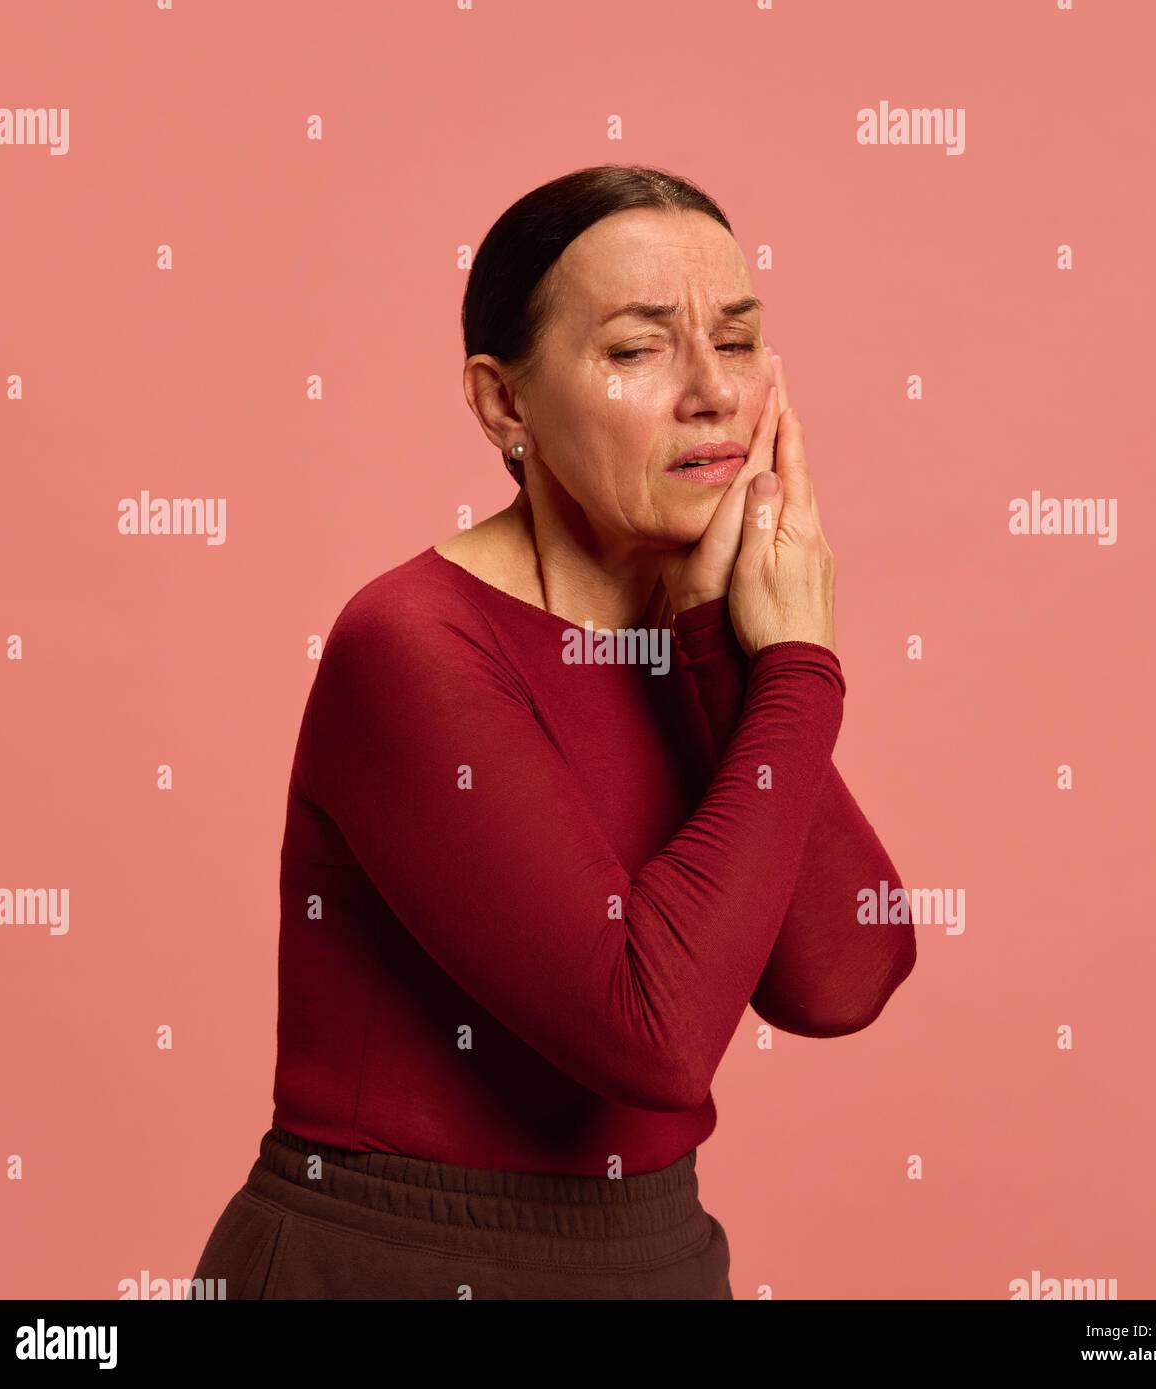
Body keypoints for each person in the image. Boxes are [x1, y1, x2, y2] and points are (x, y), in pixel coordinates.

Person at [191, 164, 916, 1300]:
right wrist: (802, 675)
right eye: (635, 350)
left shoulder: (699, 637)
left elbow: (843, 979)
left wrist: (740, 660)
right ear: (503, 403)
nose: (711, 393)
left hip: (658, 1253)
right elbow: (652, 1034)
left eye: (735, 341)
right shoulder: (412, 645)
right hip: (394, 1261)